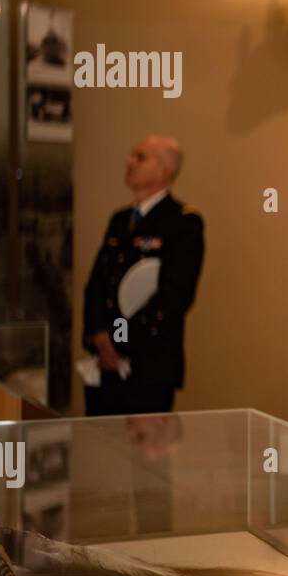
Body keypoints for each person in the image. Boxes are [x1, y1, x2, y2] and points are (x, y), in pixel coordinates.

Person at [83, 135, 205, 416]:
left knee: (144, 457)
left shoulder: (183, 222)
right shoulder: (120, 220)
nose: (129, 162)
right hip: (104, 362)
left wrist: (119, 342)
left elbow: (175, 296)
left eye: (140, 157)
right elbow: (97, 284)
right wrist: (99, 337)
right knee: (100, 454)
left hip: (149, 366)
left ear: (164, 170)